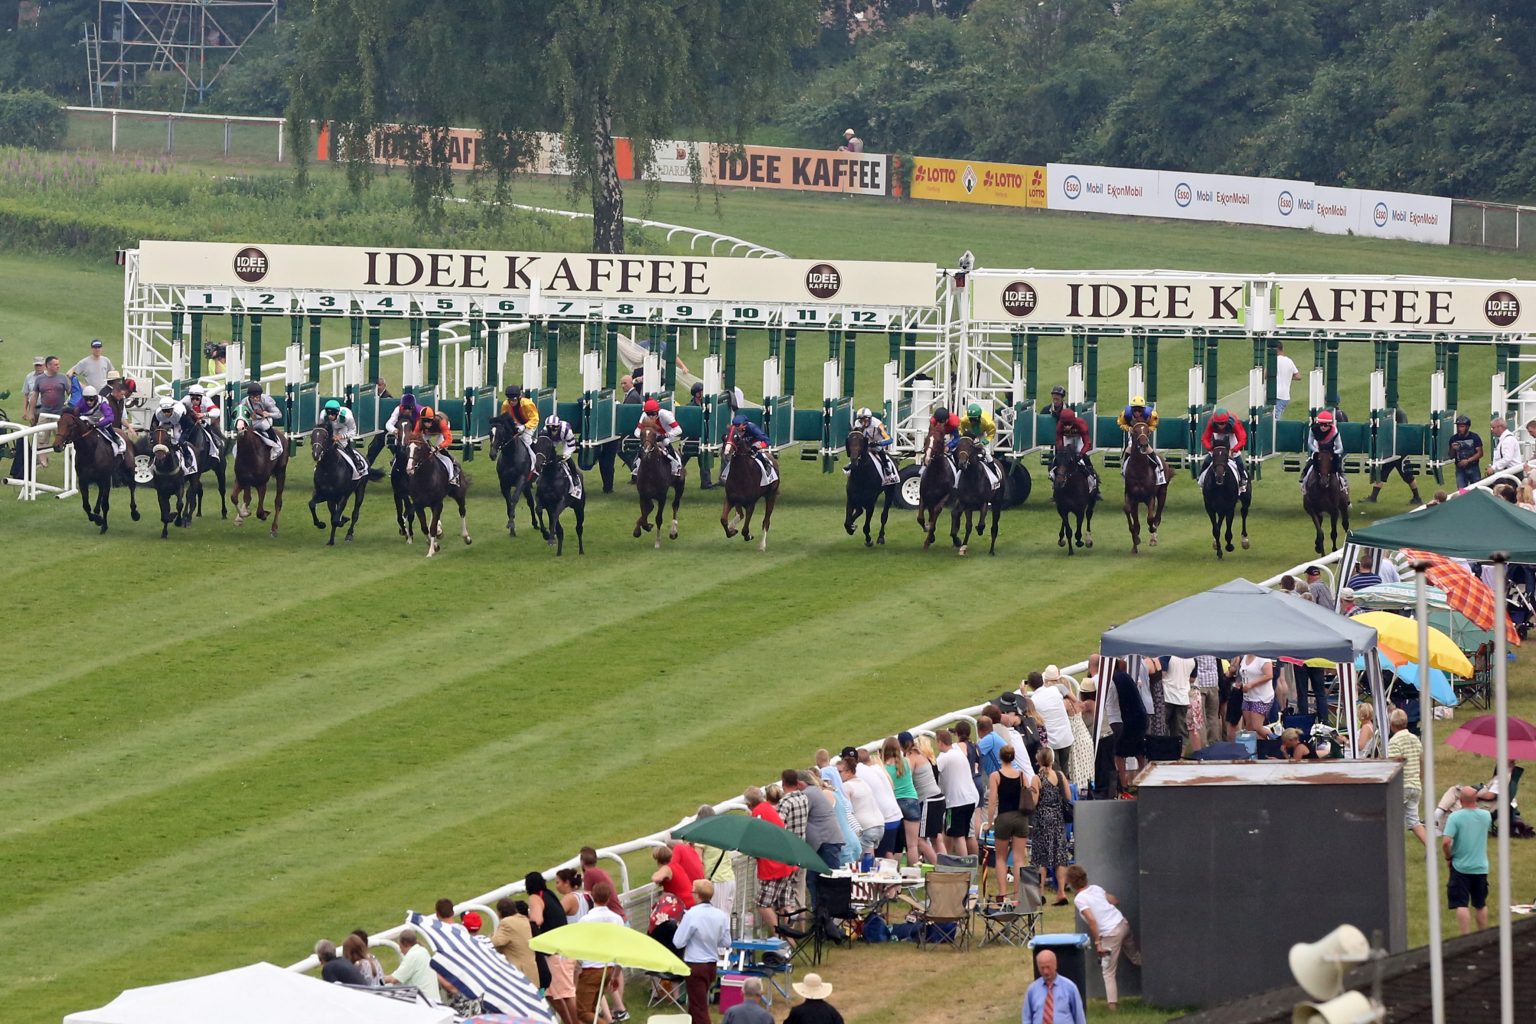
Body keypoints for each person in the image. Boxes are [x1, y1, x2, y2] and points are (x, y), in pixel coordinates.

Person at [1067, 865, 1141, 1012]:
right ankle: (1158, 970)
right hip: (1122, 924)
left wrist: (1098, 943)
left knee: (1107, 971)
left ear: (1071, 883)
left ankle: (1112, 1008)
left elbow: (1092, 921)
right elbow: (1114, 900)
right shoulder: (1095, 888)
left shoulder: (1080, 899)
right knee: (1136, 957)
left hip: (1110, 933)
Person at [674, 879, 732, 1024]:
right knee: (695, 1005)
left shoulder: (692, 914)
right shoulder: (720, 915)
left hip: (695, 965)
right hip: (711, 964)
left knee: (699, 1008)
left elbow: (678, 942)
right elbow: (727, 942)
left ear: (697, 895)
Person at [745, 786, 798, 934]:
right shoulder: (768, 808)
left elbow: (754, 840)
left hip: (774, 866)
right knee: (784, 903)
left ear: (749, 804)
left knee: (763, 904)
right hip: (786, 863)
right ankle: (790, 938)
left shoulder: (758, 812)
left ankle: (778, 936)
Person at [985, 744, 1034, 904]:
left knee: (1000, 858)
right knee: (1019, 859)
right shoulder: (1021, 776)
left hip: (1004, 817)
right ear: (1013, 758)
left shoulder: (996, 776)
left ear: (1000, 757)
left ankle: (1003, 894)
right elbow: (1028, 794)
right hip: (1020, 818)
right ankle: (1017, 896)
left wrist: (989, 821)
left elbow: (993, 801)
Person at [1442, 785, 1493, 935]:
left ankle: (1465, 936)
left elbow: (1445, 842)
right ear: (1476, 799)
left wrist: (1448, 856)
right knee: (1480, 903)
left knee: (1461, 903)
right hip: (1481, 866)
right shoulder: (1486, 816)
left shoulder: (1455, 817)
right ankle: (1483, 935)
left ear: (1460, 800)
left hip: (1460, 866)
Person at [575, 879, 625, 1024]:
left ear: (591, 896)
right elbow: (621, 947)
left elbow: (579, 947)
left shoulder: (585, 920)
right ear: (608, 898)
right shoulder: (617, 919)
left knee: (582, 1012)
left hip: (591, 969)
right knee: (590, 1009)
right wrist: (616, 974)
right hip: (608, 968)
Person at [1031, 748, 1072, 905]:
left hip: (1042, 819)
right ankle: (1061, 892)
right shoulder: (1060, 775)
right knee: (1059, 856)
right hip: (1058, 818)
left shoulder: (1037, 778)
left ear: (1039, 760)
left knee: (1041, 857)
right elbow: (1068, 796)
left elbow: (1034, 802)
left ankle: (1040, 892)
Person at [934, 729, 979, 858]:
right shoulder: (958, 753)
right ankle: (969, 864)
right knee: (964, 835)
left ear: (941, 743)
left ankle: (964, 866)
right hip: (970, 799)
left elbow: (933, 772)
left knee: (957, 837)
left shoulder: (944, 757)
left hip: (956, 802)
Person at [1387, 708, 1427, 846]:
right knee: (1413, 820)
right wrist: (1420, 778)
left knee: (1391, 818)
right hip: (1415, 785)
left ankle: (1393, 850)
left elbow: (1394, 766)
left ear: (1392, 725)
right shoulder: (1415, 739)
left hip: (1401, 786)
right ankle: (1430, 846)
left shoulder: (1394, 742)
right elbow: (1422, 761)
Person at [838, 753, 885, 867]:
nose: (838, 775)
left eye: (840, 772)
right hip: (880, 825)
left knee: (865, 865)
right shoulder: (863, 782)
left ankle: (869, 883)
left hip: (866, 827)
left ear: (849, 772)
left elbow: (847, 810)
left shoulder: (846, 786)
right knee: (870, 860)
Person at [1023, 950, 1086, 1024]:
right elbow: (1027, 1018)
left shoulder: (1070, 988)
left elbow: (1079, 1017)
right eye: (1042, 968)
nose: (1045, 971)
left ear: (1055, 965)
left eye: (1048, 967)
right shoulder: (1032, 990)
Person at [949, 401, 1002, 488]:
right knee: (959, 454)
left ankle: (995, 478)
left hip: (981, 434)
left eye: (975, 419)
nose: (972, 421)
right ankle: (955, 480)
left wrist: (983, 443)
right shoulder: (963, 420)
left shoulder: (988, 423)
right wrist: (965, 439)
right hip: (969, 434)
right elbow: (960, 430)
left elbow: (991, 435)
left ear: (979, 417)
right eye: (971, 419)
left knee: (987, 454)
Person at [1196, 408, 1249, 493]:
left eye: (1224, 423)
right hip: (1218, 435)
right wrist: (1210, 449)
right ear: (1215, 422)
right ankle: (1201, 475)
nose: (1221, 426)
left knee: (1237, 456)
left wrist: (1234, 449)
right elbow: (1205, 438)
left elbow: (1242, 438)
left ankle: (1243, 477)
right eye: (1219, 423)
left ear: (1227, 421)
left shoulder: (1234, 422)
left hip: (1231, 435)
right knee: (1210, 457)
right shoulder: (1211, 422)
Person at [1116, 396, 1167, 485]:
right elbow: (1120, 423)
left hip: (1144, 435)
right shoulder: (1125, 414)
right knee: (1129, 449)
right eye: (1135, 410)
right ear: (1132, 409)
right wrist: (1128, 428)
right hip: (1134, 435)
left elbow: (1154, 425)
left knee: (1149, 450)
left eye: (1139, 410)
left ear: (1143, 409)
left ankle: (1159, 471)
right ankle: (1124, 470)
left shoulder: (1152, 414)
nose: (1137, 413)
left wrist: (1146, 429)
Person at [1032, 668, 1076, 767]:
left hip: (1052, 741)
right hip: (1065, 738)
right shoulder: (1056, 689)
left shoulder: (1034, 699)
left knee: (1057, 774)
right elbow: (1075, 700)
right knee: (1063, 772)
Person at [387, 928, 444, 1004]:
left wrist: (379, 976)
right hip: (435, 1001)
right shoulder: (423, 951)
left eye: (400, 946)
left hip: (425, 1004)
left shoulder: (412, 956)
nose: (400, 950)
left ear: (405, 944)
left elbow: (393, 979)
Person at [1053, 406, 1099, 495]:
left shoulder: (1081, 424)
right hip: (1067, 438)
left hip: (1079, 438)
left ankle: (1091, 479)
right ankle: (1054, 477)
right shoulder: (1059, 425)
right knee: (1059, 460)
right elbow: (1059, 441)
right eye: (1064, 424)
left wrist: (1081, 454)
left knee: (1082, 460)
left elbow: (1087, 443)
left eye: (1068, 424)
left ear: (1073, 421)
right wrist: (1061, 453)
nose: (1066, 426)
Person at [634, 397, 684, 479]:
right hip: (652, 437)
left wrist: (665, 435)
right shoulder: (644, 416)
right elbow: (636, 432)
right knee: (644, 446)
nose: (650, 417)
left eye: (653, 414)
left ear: (657, 411)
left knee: (666, 442)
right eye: (648, 414)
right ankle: (637, 466)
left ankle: (676, 465)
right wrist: (644, 437)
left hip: (668, 434)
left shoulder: (665, 415)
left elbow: (679, 430)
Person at [320, 399, 371, 479]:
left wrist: (341, 436)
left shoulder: (347, 417)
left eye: (332, 414)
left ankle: (357, 462)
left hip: (344, 427)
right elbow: (322, 428)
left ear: (337, 413)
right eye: (328, 413)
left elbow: (353, 431)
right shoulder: (323, 415)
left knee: (343, 444)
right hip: (331, 427)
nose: (330, 416)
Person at [849, 406, 899, 485]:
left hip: (877, 443)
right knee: (856, 451)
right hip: (866, 444)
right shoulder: (857, 424)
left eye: (865, 420)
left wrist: (879, 443)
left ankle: (887, 469)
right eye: (861, 420)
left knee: (879, 450)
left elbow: (889, 439)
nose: (863, 423)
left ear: (870, 418)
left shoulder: (878, 424)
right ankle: (851, 465)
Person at [493, 898, 539, 984]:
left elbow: (497, 942)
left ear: (499, 912)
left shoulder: (506, 922)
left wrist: (490, 937)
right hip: (532, 970)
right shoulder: (523, 919)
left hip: (519, 972)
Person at [720, 414, 776, 483]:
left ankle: (766, 465)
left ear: (744, 425)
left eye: (737, 426)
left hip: (755, 442)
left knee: (753, 452)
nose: (735, 427)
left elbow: (767, 441)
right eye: (734, 425)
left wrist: (757, 447)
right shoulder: (734, 428)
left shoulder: (753, 428)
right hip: (742, 443)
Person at [1301, 409, 1346, 494]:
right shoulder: (1313, 429)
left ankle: (1343, 486)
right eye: (1321, 424)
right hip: (1318, 451)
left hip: (1331, 452)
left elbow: (1340, 448)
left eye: (1325, 425)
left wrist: (1333, 454)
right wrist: (1317, 451)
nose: (1323, 427)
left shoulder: (1334, 432)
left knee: (1338, 468)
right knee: (1309, 464)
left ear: (1330, 425)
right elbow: (1310, 443)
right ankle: (1304, 481)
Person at [236, 382, 285, 460]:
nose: (256, 399)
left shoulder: (267, 400)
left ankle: (276, 444)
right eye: (253, 397)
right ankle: (237, 449)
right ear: (249, 396)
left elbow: (279, 414)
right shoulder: (244, 402)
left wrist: (268, 414)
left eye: (258, 397)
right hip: (251, 422)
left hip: (265, 420)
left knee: (264, 424)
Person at [1233, 653, 1275, 735]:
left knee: (1257, 727)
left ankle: (1274, 739)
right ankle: (1255, 745)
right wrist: (1241, 684)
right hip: (1248, 696)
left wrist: (1251, 684)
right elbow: (1246, 674)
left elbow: (1269, 675)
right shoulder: (1245, 657)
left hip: (1261, 697)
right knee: (1249, 727)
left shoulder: (1263, 658)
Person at [541, 414, 581, 494]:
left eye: (555, 427)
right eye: (550, 427)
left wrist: (564, 455)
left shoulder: (567, 431)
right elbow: (544, 444)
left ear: (558, 426)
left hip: (566, 439)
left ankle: (575, 476)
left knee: (567, 459)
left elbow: (571, 445)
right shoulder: (545, 431)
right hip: (552, 440)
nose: (553, 430)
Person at [182, 384, 223, 459]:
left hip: (203, 422)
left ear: (201, 397)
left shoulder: (206, 400)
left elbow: (217, 411)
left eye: (197, 399)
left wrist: (204, 414)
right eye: (192, 398)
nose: (194, 401)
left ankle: (214, 448)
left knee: (208, 431)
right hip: (189, 423)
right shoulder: (186, 399)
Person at [1162, 656, 1194, 750]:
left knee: (1164, 727)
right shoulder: (1193, 657)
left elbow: (1162, 673)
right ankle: (1180, 755)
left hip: (1167, 695)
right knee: (1181, 731)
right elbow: (1192, 679)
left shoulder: (1167, 655)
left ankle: (1165, 752)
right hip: (1183, 697)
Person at [651, 845, 696, 909]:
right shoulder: (676, 865)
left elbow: (656, 878)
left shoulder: (666, 868)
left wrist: (656, 874)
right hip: (691, 899)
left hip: (683, 904)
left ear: (657, 860)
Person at [1448, 414, 1484, 489]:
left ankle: (1474, 500)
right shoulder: (1453, 439)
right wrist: (1452, 448)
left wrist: (1468, 461)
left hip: (1473, 467)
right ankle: (1464, 499)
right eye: (1458, 426)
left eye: (1462, 426)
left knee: (1476, 488)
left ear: (1467, 427)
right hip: (1460, 469)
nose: (1459, 429)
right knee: (1461, 490)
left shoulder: (1474, 437)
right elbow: (1451, 456)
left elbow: (1480, 453)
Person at [1273, 341, 1301, 419]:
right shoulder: (1289, 361)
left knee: (1274, 420)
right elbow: (1298, 376)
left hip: (1276, 395)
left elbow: (1264, 375)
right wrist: (1287, 376)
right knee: (1276, 417)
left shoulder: (1274, 360)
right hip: (1285, 396)